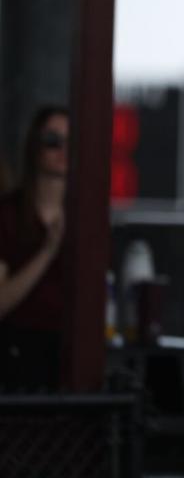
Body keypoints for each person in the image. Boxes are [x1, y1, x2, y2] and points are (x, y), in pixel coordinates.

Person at [0, 106, 69, 390]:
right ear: (35, 146)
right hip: (18, 351)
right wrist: (47, 252)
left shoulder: (86, 219)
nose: (63, 149)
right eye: (53, 140)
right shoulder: (8, 214)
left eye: (71, 141)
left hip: (71, 352)